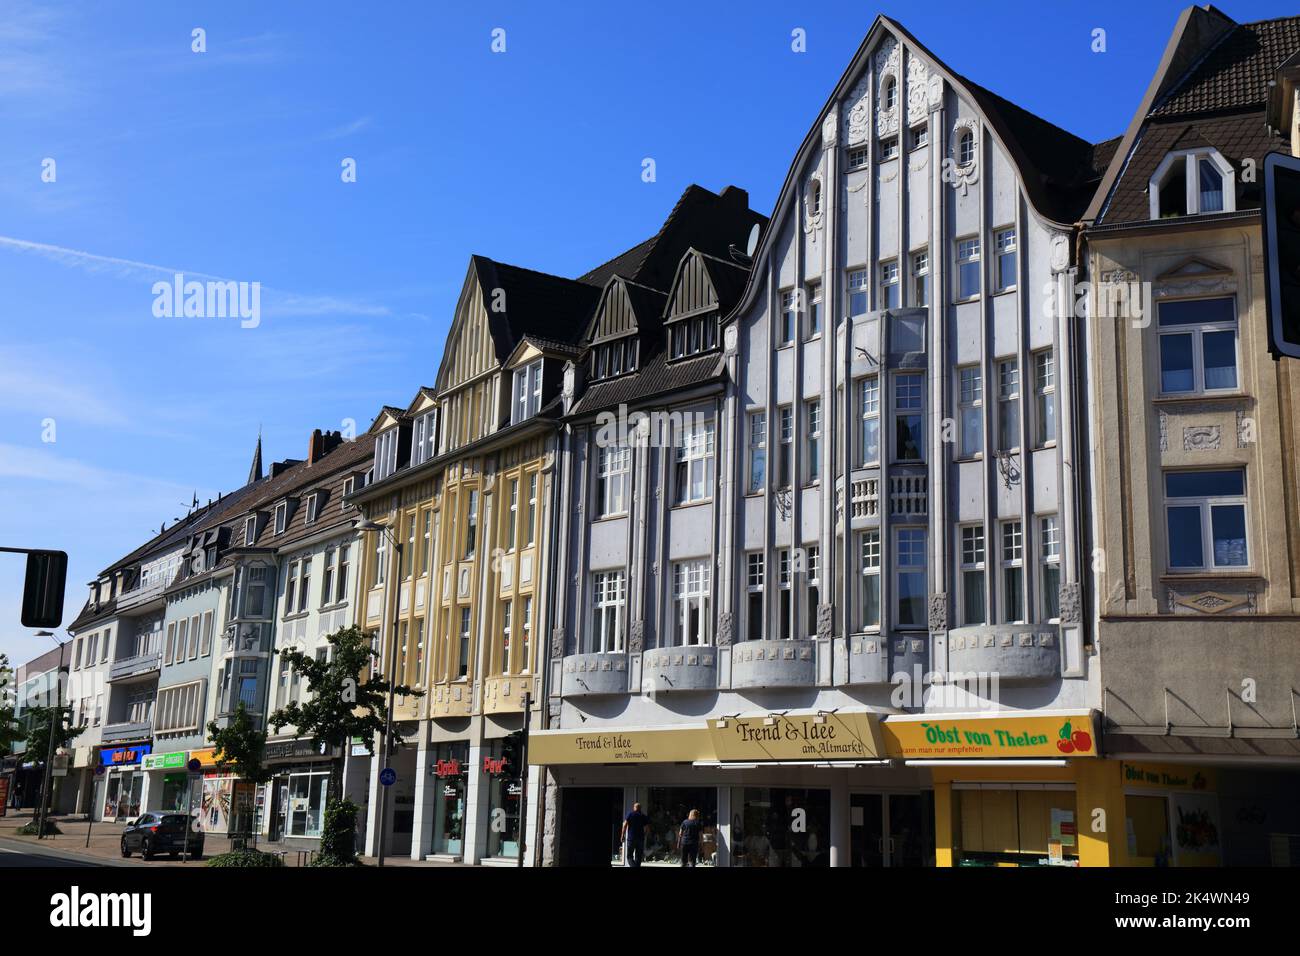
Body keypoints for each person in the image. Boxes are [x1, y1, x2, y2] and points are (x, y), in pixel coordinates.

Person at [620, 802, 650, 868]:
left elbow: (624, 825)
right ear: (640, 808)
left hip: (631, 839)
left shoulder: (630, 814)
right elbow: (647, 828)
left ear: (634, 808)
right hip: (640, 839)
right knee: (638, 857)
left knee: (629, 856)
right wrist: (644, 835)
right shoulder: (643, 816)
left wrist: (622, 835)